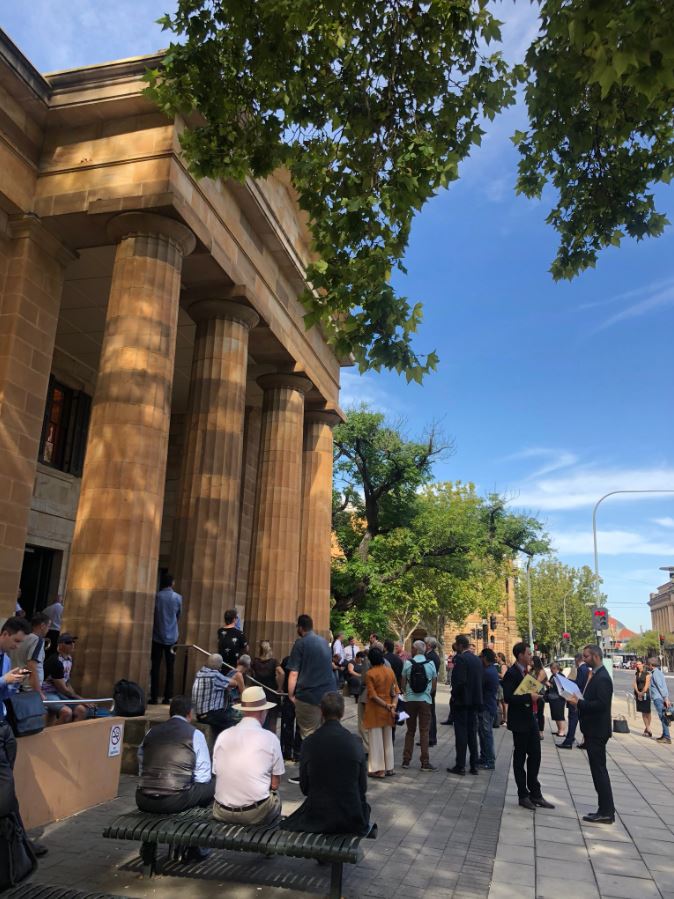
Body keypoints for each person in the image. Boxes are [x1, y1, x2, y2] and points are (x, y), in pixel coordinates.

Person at [281, 692, 371, 836]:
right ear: (342, 712)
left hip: (318, 814)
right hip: (350, 816)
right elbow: (362, 787)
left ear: (321, 711)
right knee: (365, 807)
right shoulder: (355, 742)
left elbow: (305, 788)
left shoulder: (309, 743)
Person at [0, 616, 48, 858]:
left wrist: (12, 684)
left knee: (8, 789)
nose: (16, 646)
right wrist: (3, 680)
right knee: (7, 791)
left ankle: (19, 843)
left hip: (4, 727)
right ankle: (20, 844)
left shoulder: (6, 659)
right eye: (16, 641)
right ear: (4, 634)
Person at [212, 686, 284, 825]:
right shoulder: (270, 738)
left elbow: (216, 772)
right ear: (264, 711)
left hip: (221, 810)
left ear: (243, 710)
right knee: (275, 798)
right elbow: (275, 784)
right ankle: (267, 843)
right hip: (255, 813)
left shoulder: (223, 735)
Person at [136, 695, 214, 815]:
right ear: (189, 714)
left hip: (143, 799)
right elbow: (203, 776)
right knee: (214, 783)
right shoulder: (195, 734)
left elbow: (141, 758)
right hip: (174, 800)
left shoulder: (152, 731)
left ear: (170, 713)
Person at [502, 641, 555, 811]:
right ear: (520, 655)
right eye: (528, 653)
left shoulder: (528, 672)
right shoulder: (511, 673)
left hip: (531, 718)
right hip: (519, 721)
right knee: (520, 758)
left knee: (536, 756)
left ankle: (536, 793)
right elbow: (509, 698)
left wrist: (538, 694)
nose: (531, 656)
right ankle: (522, 795)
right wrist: (528, 697)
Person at [566, 645, 615, 824]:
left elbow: (601, 705)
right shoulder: (596, 675)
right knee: (597, 771)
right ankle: (604, 809)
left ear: (595, 656)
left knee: (599, 771)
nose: (584, 660)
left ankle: (606, 811)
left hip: (597, 731)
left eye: (586, 657)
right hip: (593, 730)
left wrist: (579, 703)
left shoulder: (602, 678)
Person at [286, 614, 334, 741]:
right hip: (329, 696)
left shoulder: (300, 644)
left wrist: (291, 694)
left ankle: (312, 760)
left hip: (308, 696)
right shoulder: (324, 642)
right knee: (326, 735)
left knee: (309, 736)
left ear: (300, 628)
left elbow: (294, 672)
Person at [448, 633, 483, 776]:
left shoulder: (461, 659)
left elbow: (459, 682)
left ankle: (460, 765)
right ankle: (474, 765)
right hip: (474, 702)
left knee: (461, 734)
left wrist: (454, 696)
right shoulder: (476, 659)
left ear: (460, 645)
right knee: (472, 734)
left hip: (463, 702)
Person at [362, 646, 399, 778]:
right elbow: (396, 692)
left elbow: (372, 695)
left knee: (375, 739)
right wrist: (392, 706)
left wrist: (386, 705)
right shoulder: (390, 671)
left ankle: (378, 769)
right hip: (389, 710)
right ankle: (389, 767)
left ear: (371, 660)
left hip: (375, 710)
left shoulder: (370, 674)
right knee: (387, 739)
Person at [401, 639, 437, 771]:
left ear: (415, 650)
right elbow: (434, 686)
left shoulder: (407, 663)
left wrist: (408, 693)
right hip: (425, 701)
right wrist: (426, 693)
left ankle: (406, 760)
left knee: (410, 731)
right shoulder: (431, 664)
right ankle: (425, 762)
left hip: (410, 701)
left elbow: (403, 684)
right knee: (424, 731)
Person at [42, 634, 88, 724]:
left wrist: (78, 698)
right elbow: (63, 689)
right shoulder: (55, 661)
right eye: (68, 642)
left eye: (73, 642)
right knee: (66, 712)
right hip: (47, 692)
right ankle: (53, 736)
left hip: (58, 693)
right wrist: (81, 699)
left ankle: (71, 736)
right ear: (60, 645)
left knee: (81, 710)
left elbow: (67, 683)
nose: (72, 644)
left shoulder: (69, 659)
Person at [150, 573, 181, 705]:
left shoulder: (157, 597)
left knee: (155, 667)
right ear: (172, 583)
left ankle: (154, 696)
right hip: (172, 637)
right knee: (170, 668)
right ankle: (168, 696)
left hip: (157, 635)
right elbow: (178, 615)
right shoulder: (178, 598)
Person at [192, 653, 232, 736]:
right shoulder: (214, 675)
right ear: (220, 665)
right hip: (210, 715)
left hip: (199, 715)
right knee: (235, 719)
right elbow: (233, 683)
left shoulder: (200, 672)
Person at [10, 612, 50, 695]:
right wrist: (39, 692)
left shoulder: (21, 637)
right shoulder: (37, 640)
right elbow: (31, 666)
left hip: (16, 685)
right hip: (28, 689)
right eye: (48, 626)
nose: (48, 629)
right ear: (42, 626)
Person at [558, 652, 589, 749]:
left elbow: (579, 684)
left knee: (573, 719)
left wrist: (567, 681)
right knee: (578, 719)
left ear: (577, 659)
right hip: (581, 697)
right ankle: (577, 740)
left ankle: (569, 741)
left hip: (576, 698)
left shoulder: (581, 668)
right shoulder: (586, 668)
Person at [251, 641, 283, 733]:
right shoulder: (274, 662)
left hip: (258, 693)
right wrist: (280, 687)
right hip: (271, 692)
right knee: (272, 720)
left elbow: (248, 669)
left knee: (257, 719)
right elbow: (281, 673)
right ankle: (272, 741)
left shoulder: (255, 661)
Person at [478, 647, 499, 770]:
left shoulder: (487, 672)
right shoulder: (491, 670)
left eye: (481, 657)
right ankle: (484, 757)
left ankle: (489, 760)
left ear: (485, 658)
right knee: (483, 733)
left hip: (486, 706)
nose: (479, 658)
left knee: (486, 734)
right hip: (488, 705)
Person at [279, 655, 302, 763]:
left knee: (287, 725)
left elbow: (283, 675)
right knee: (300, 727)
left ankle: (286, 752)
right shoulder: (306, 660)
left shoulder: (287, 660)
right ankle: (298, 753)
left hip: (289, 695)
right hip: (302, 696)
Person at [648, 656, 671, 744]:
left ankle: (667, 737)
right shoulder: (658, 672)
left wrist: (665, 698)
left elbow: (660, 687)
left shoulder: (656, 673)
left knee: (663, 717)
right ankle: (664, 734)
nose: (648, 666)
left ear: (651, 665)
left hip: (658, 698)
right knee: (663, 716)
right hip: (660, 698)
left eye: (649, 665)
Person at [425, 636, 441, 747]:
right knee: (430, 713)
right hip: (431, 689)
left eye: (426, 644)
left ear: (429, 645)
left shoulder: (431, 657)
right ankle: (430, 737)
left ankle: (430, 738)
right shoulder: (432, 656)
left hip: (429, 689)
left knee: (429, 714)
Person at [547, 661, 567, 738]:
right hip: (553, 698)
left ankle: (562, 731)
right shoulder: (553, 675)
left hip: (559, 699)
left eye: (551, 669)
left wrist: (549, 685)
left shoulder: (560, 676)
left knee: (559, 715)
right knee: (555, 714)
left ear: (555, 668)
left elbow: (560, 688)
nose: (551, 670)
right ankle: (559, 730)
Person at [633, 660, 652, 737]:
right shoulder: (637, 673)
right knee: (643, 712)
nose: (638, 665)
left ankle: (647, 729)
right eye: (637, 664)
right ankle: (648, 729)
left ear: (642, 665)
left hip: (645, 694)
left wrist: (642, 693)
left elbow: (647, 685)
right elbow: (634, 683)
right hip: (638, 694)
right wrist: (638, 692)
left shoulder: (647, 674)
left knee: (648, 712)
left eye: (639, 664)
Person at [531, 656, 548, 739]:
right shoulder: (532, 670)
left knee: (540, 714)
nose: (530, 662)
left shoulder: (541, 672)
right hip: (532, 694)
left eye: (531, 661)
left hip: (539, 695)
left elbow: (537, 683)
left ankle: (540, 732)